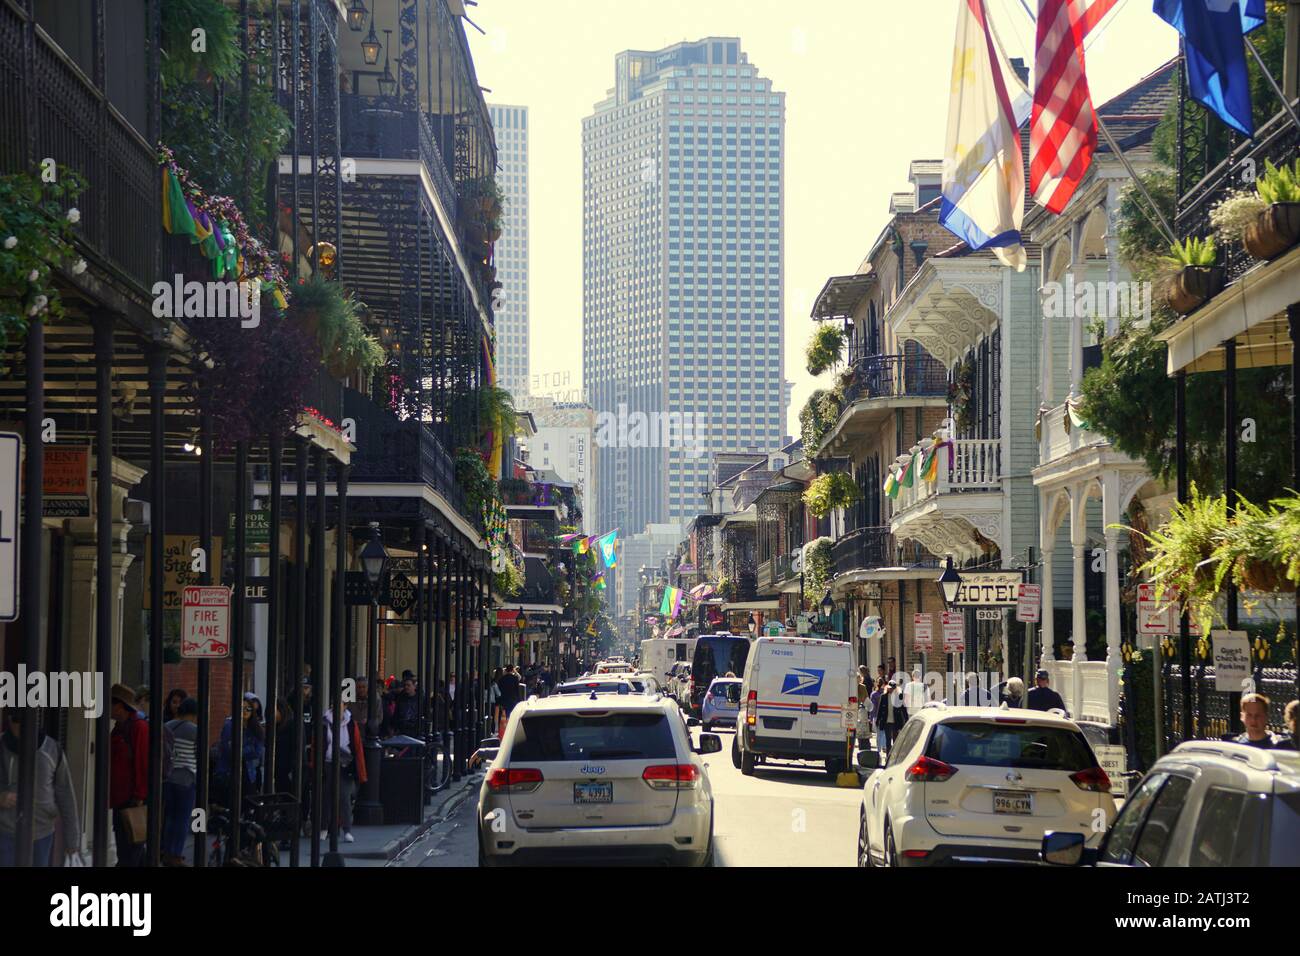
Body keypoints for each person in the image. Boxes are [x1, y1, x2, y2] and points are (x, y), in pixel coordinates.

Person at [0, 709, 80, 867]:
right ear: (9, 720)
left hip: (42, 832)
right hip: (5, 831)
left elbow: (66, 796)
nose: (21, 727)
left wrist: (72, 841)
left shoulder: (51, 749)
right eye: (17, 721)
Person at [109, 683, 149, 866]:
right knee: (128, 850)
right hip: (119, 799)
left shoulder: (138, 728)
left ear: (119, 705)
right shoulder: (118, 728)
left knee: (130, 852)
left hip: (132, 799)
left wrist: (139, 795)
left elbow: (142, 762)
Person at [319, 704, 367, 843]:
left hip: (345, 764)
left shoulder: (351, 723)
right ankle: (324, 828)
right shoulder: (325, 722)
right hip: (328, 762)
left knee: (344, 797)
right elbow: (319, 744)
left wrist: (360, 769)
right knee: (326, 796)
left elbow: (356, 745)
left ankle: (346, 830)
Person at [162, 697, 199, 866]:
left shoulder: (167, 726)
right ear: (193, 714)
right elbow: (199, 755)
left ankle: (165, 850)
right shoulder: (195, 730)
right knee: (182, 819)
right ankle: (175, 854)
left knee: (169, 817)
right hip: (186, 778)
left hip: (167, 778)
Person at [217, 693, 266, 803]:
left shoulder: (255, 727)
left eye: (248, 708)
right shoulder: (229, 725)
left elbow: (258, 752)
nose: (245, 711)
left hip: (249, 773)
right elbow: (230, 750)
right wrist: (249, 749)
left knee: (248, 805)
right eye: (242, 708)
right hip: (230, 773)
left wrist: (242, 749)